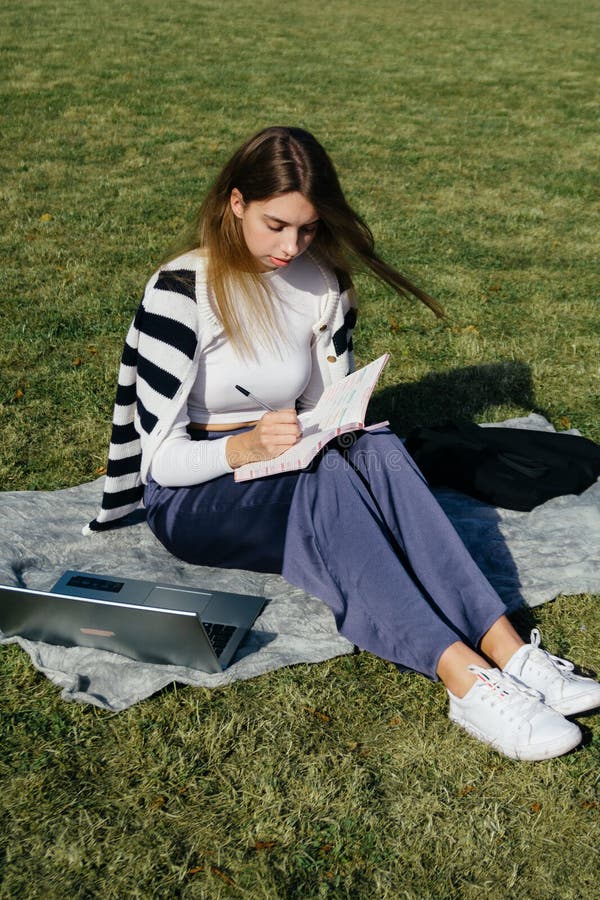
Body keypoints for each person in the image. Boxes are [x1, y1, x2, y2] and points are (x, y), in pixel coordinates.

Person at [87, 126, 600, 760]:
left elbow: (325, 411)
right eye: (276, 225)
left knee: (379, 449)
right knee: (332, 479)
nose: (291, 245)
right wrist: (242, 449)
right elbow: (160, 461)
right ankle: (465, 680)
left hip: (290, 456)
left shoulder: (323, 282)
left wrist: (328, 427)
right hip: (196, 492)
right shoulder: (182, 290)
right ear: (236, 203)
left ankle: (510, 651)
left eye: (307, 229)